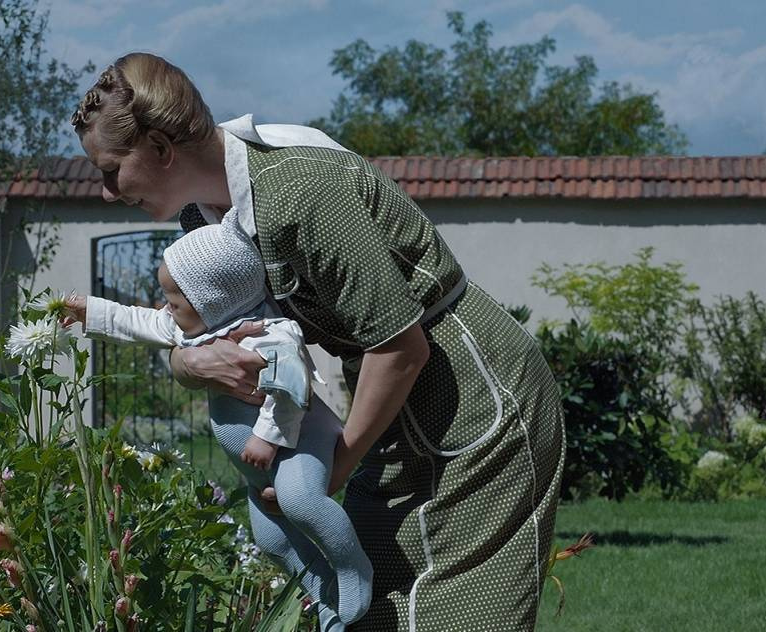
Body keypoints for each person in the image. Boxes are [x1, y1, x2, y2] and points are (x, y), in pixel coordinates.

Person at [68, 52, 565, 631]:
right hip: (390, 402)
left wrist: (332, 472)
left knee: (457, 612)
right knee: (374, 605)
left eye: (110, 170)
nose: (106, 192)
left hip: (474, 396)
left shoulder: (301, 193)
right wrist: (190, 365)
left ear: (159, 147)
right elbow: (192, 333)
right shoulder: (201, 224)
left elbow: (401, 349)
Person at [62, 217, 372, 629]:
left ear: (213, 300)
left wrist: (265, 438)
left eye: (174, 299)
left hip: (298, 444)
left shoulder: (271, 334)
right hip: (257, 469)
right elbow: (138, 321)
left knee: (300, 502)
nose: (165, 306)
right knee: (270, 537)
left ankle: (353, 568)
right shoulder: (197, 328)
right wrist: (90, 311)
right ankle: (321, 586)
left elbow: (292, 388)